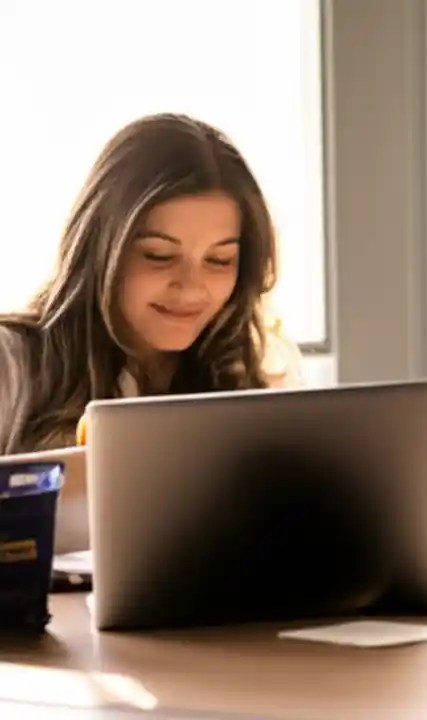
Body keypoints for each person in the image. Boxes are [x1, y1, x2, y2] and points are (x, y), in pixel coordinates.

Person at [0, 113, 303, 547]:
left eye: (219, 261)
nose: (191, 287)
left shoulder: (258, 370)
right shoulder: (11, 364)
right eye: (159, 256)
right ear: (101, 249)